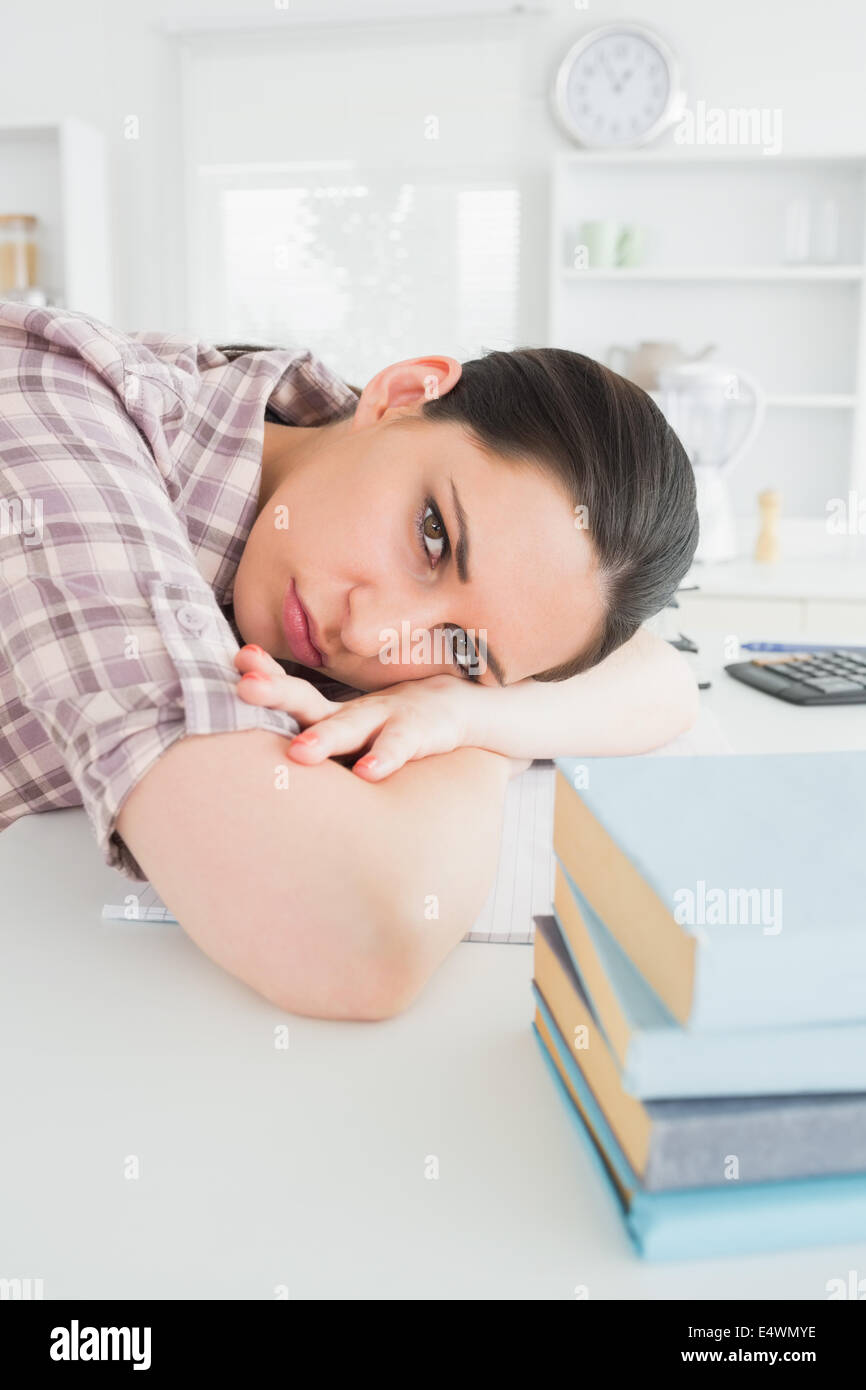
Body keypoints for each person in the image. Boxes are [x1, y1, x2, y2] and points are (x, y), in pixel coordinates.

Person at [0, 301, 698, 1021]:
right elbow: (361, 942)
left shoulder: (346, 507)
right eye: (433, 539)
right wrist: (484, 746)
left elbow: (664, 680)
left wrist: (454, 712)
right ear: (401, 395)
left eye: (461, 647)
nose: (374, 636)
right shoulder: (49, 403)